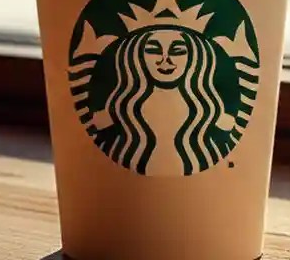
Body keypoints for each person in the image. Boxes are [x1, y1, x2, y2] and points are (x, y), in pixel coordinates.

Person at [88, 26, 236, 176]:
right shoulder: (120, 107)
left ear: (193, 57)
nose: (165, 60)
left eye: (177, 51)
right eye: (153, 51)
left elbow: (229, 126)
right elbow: (97, 124)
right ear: (136, 56)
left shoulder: (210, 110)